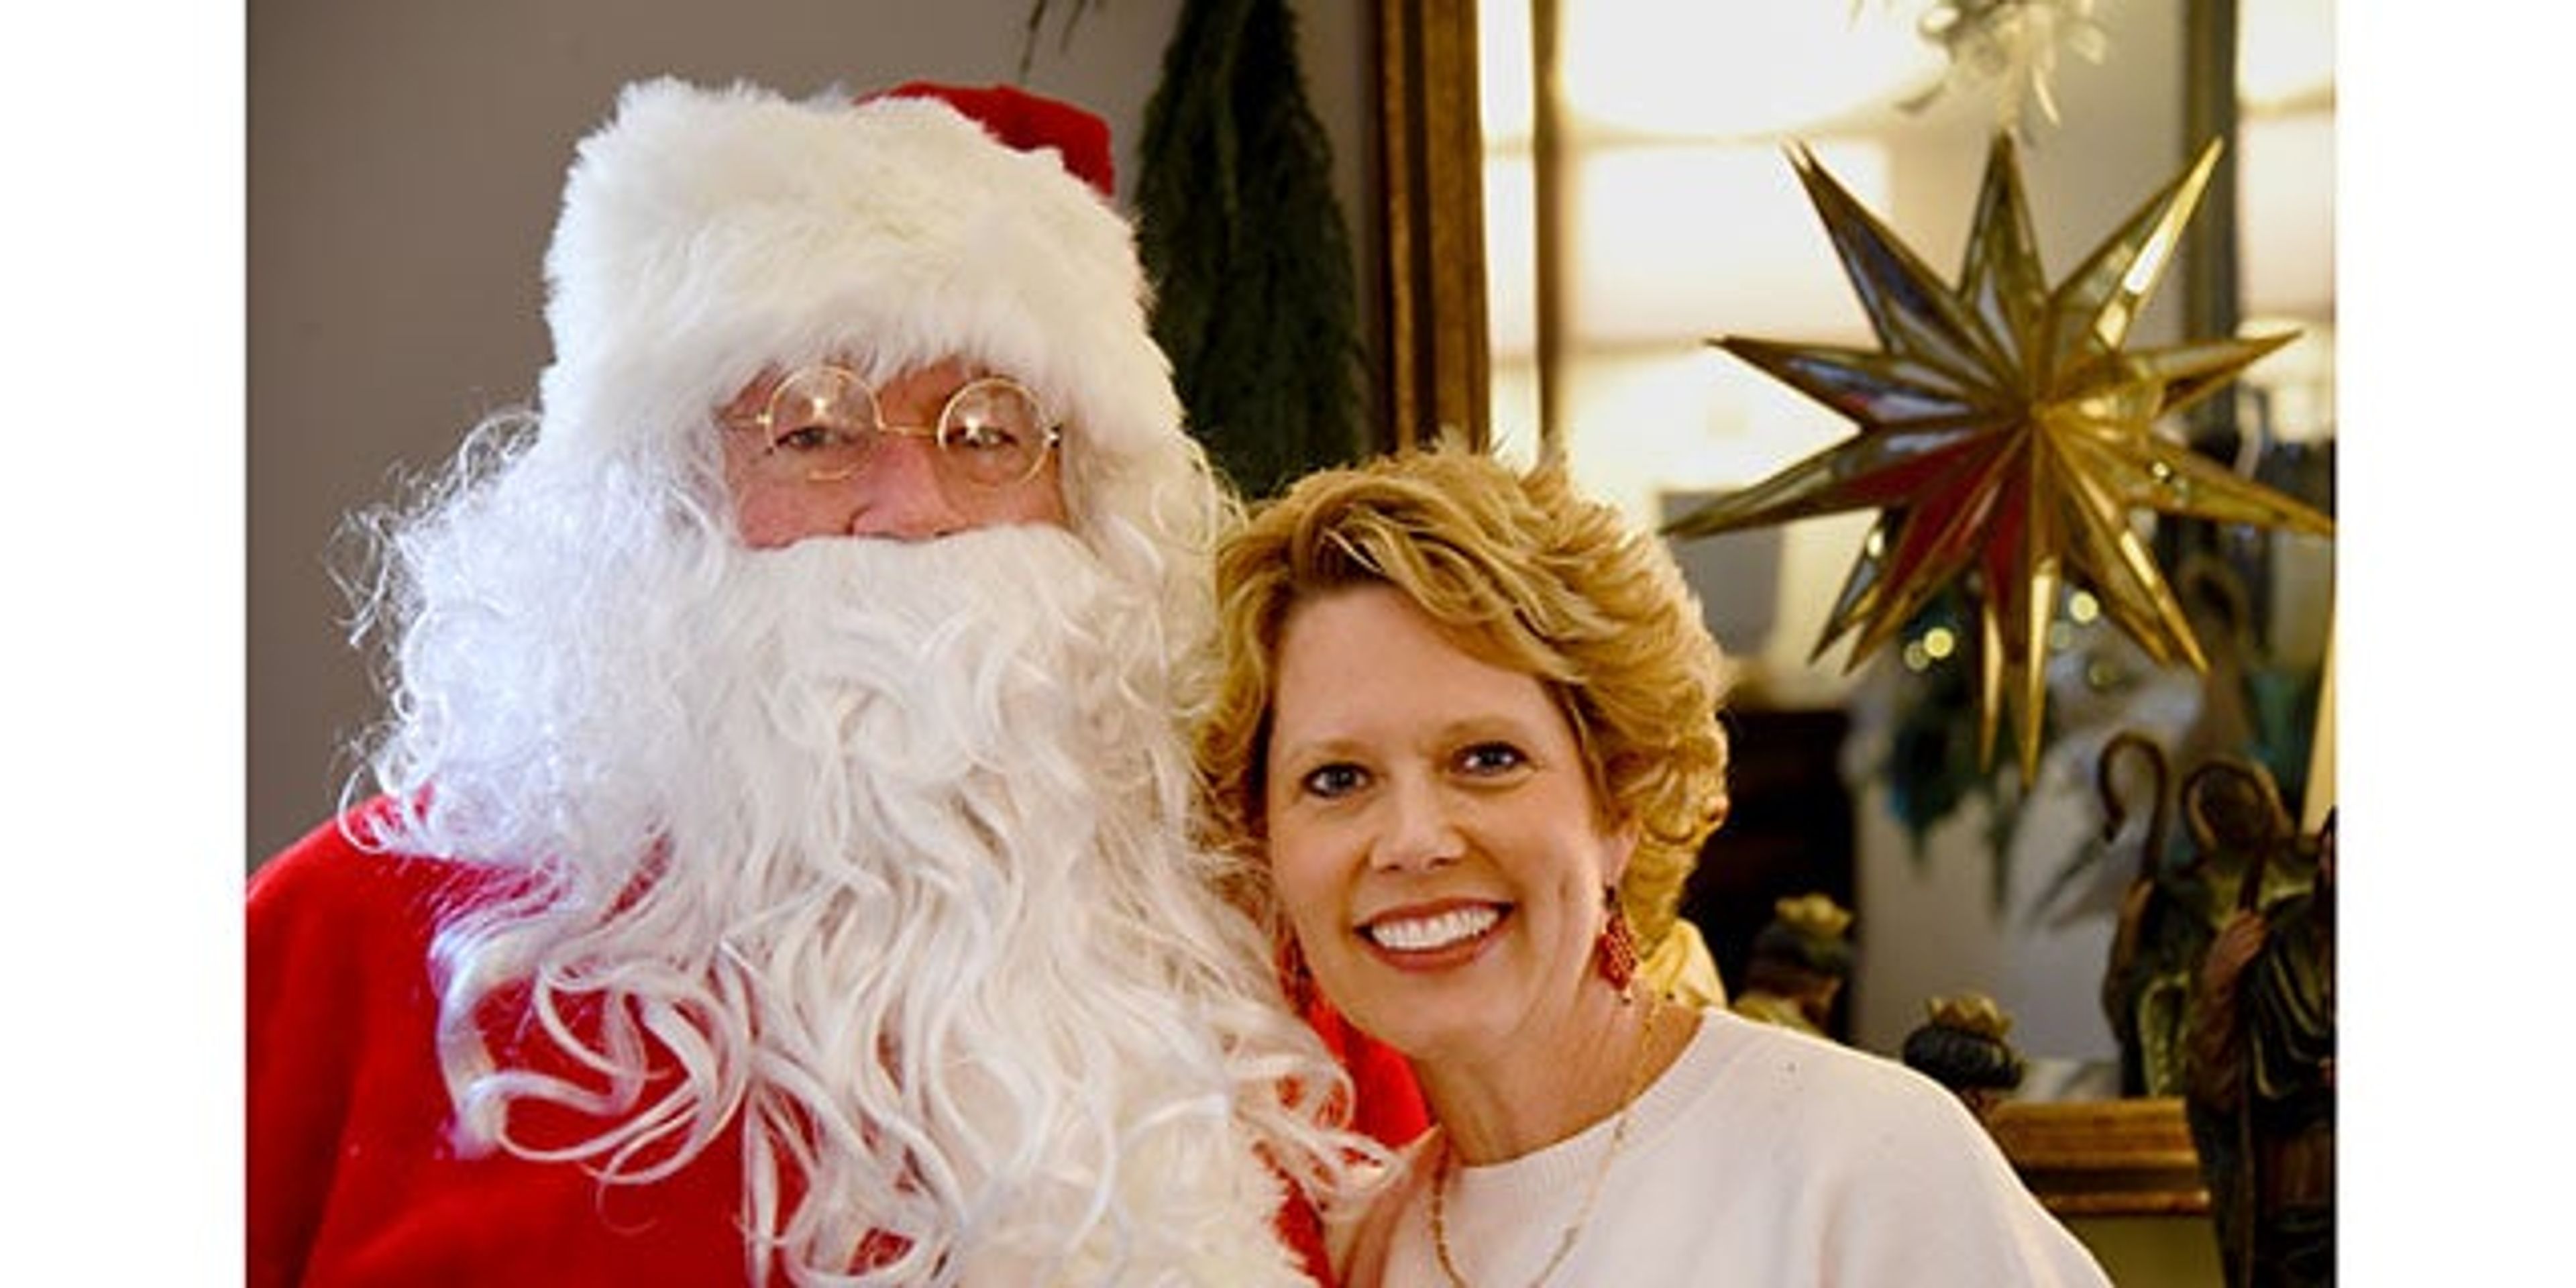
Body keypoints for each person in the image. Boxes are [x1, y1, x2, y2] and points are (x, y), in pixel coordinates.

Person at [246, 76, 1419, 1287]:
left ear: (1089, 498)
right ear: (660, 498)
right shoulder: (336, 941)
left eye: (988, 432)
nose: (910, 510)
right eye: (814, 431)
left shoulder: (1261, 957)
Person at [1195, 449, 2111, 1286]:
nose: (1413, 839)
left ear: (1620, 803)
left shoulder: (1862, 1164)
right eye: (1337, 778)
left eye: (1486, 759)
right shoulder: (1356, 1250)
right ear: (1266, 842)